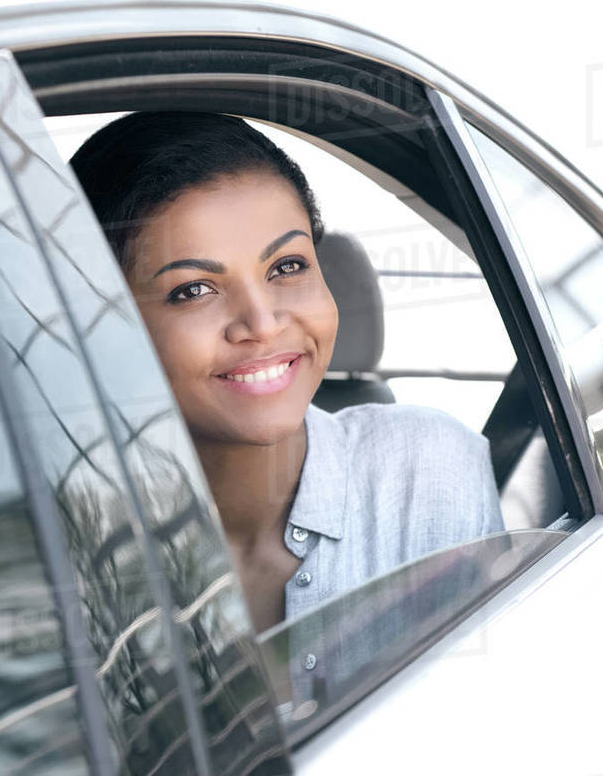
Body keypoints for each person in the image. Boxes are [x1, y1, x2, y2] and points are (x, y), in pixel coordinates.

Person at [70, 111, 504, 633]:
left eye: (287, 266)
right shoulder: (67, 564)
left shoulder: (429, 470)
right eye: (193, 290)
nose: (262, 323)